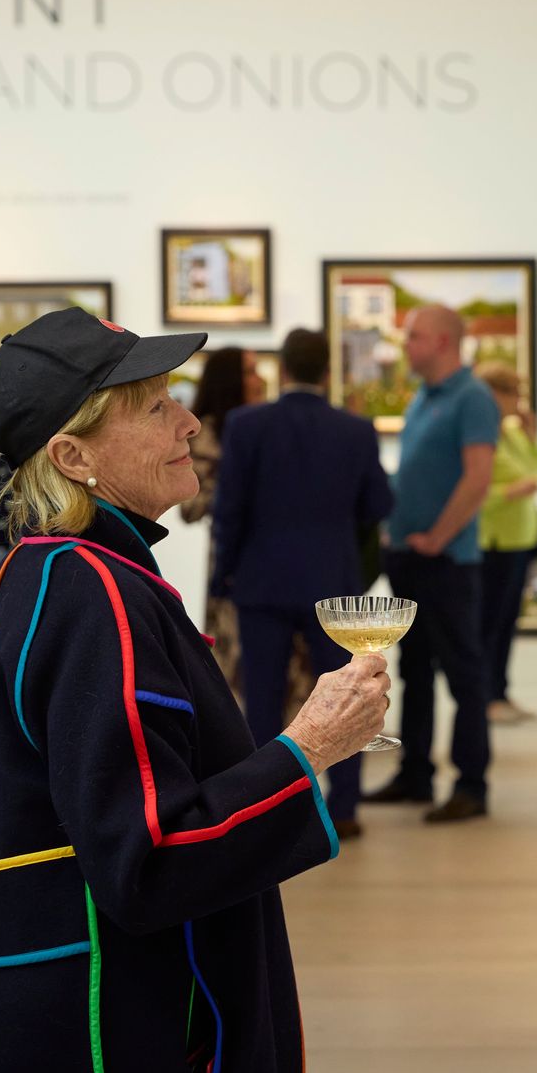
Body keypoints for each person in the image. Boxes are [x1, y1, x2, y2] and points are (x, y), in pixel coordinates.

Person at [0, 307, 389, 1073]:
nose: (189, 423)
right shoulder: (97, 595)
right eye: (152, 406)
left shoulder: (39, 576)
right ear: (73, 457)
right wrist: (310, 748)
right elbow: (152, 857)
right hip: (113, 1042)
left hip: (43, 1018)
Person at [213, 328, 393, 839]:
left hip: (262, 578)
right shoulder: (355, 430)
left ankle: (265, 807)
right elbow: (379, 505)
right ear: (327, 373)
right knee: (351, 695)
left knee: (264, 700)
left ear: (283, 370)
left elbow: (231, 511)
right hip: (333, 582)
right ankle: (346, 807)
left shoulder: (246, 425)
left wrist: (222, 575)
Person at [365, 305, 500, 823]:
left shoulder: (472, 398)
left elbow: (478, 478)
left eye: (414, 336)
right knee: (414, 669)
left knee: (464, 674)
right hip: (409, 556)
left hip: (446, 561)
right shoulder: (424, 395)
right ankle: (415, 774)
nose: (406, 345)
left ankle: (471, 785)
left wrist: (438, 536)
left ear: (444, 342)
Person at [178, 347, 267, 703]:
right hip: (234, 568)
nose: (259, 379)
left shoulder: (268, 425)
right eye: (250, 371)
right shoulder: (206, 433)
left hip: (278, 569)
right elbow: (190, 509)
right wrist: (236, 488)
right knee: (233, 676)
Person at [474, 363, 537, 723]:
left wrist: (531, 434)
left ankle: (501, 692)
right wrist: (510, 491)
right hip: (495, 541)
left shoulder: (513, 434)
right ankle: (487, 697)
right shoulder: (482, 436)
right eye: (513, 394)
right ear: (494, 396)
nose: (517, 402)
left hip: (521, 538)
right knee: (490, 622)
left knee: (507, 622)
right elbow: (475, 492)